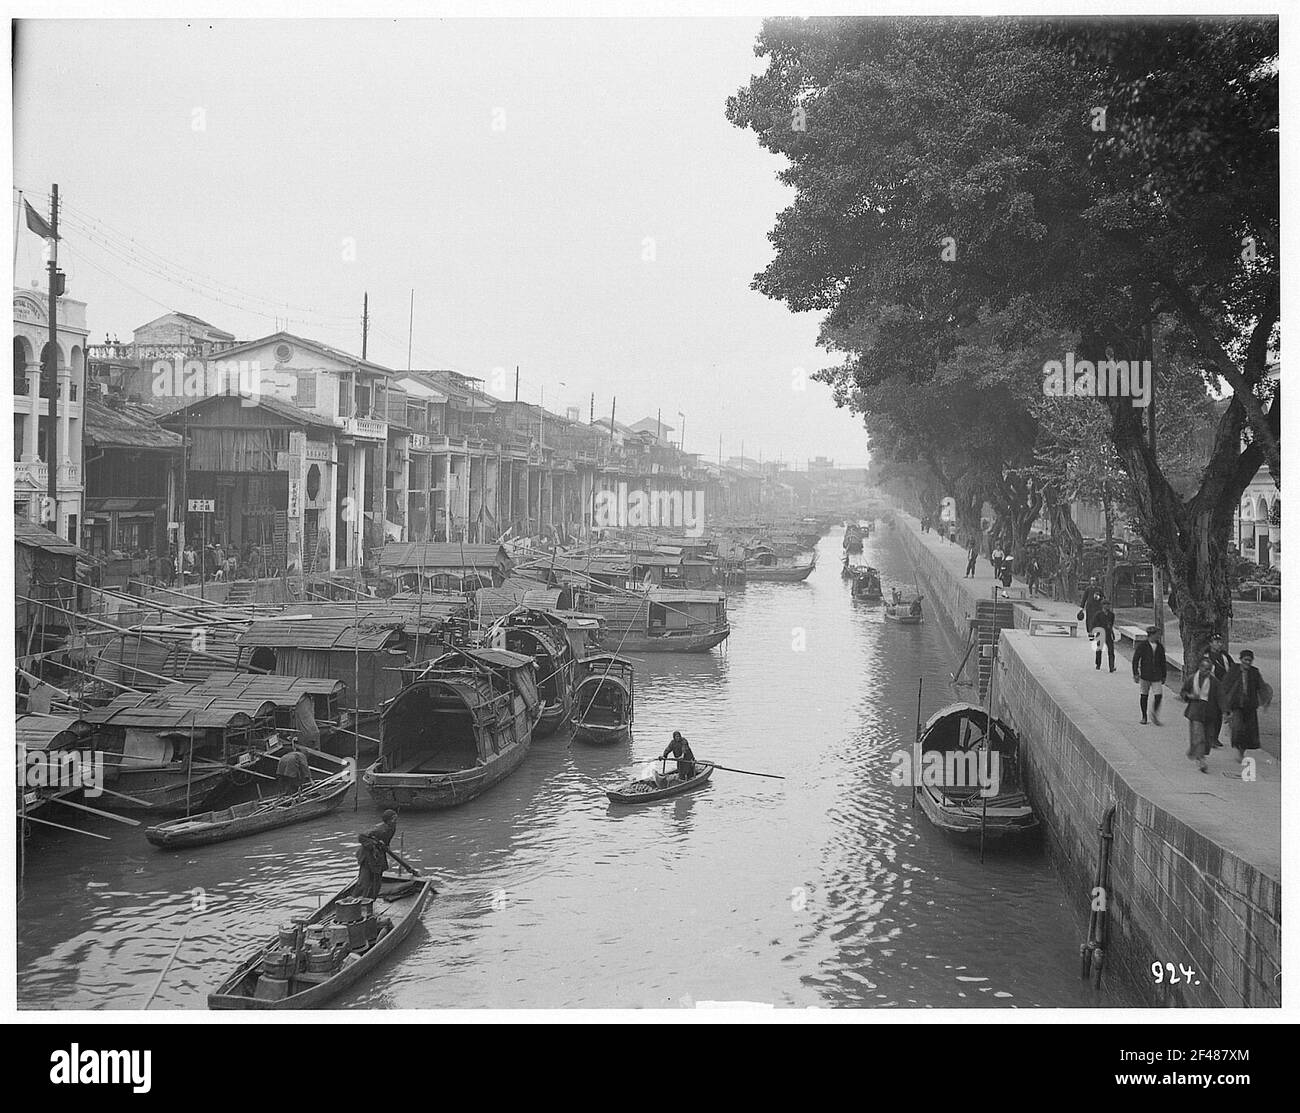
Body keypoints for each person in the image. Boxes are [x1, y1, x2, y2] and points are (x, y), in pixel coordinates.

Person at [1221, 649, 1268, 764]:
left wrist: (1265, 701)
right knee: (1238, 729)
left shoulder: (1255, 672)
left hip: (1250, 706)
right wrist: (1224, 704)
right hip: (1236, 705)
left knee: (1248, 731)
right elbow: (1225, 685)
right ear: (1241, 659)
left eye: (1250, 660)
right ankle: (1238, 749)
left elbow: (1262, 687)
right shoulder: (1234, 670)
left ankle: (1241, 752)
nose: (1247, 662)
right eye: (1245, 660)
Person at [1179, 655, 1221, 774]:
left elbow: (1220, 697)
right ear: (1200, 668)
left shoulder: (1215, 682)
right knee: (1198, 736)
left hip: (1209, 712)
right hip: (1195, 711)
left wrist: (1226, 711)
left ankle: (1198, 753)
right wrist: (1189, 696)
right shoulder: (1192, 679)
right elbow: (1183, 691)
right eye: (1204, 668)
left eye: (1209, 669)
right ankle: (1201, 760)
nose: (1206, 671)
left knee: (1208, 737)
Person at [354, 810, 398, 899]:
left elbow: (386, 841)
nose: (395, 821)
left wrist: (386, 846)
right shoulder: (379, 829)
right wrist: (374, 843)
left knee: (376, 880)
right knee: (364, 880)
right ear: (388, 820)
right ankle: (356, 899)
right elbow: (361, 837)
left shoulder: (392, 828)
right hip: (367, 855)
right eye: (393, 819)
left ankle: (371, 899)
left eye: (396, 819)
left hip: (378, 856)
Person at [1204, 633, 1235, 748]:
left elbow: (1232, 669)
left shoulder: (1225, 656)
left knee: (1218, 713)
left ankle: (1215, 737)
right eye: (1216, 642)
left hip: (1223, 688)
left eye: (1220, 642)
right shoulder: (1206, 656)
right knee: (1211, 713)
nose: (1219, 644)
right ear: (1210, 643)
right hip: (1210, 688)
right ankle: (1210, 737)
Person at [1132, 626, 1167, 725]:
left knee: (1158, 695)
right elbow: (1135, 660)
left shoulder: (1160, 647)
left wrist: (1164, 675)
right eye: (1157, 634)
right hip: (1145, 674)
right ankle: (1144, 716)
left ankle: (1154, 713)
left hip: (1157, 675)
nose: (1159, 636)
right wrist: (1135, 673)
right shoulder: (1143, 646)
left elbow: (1163, 662)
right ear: (1152, 635)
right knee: (1144, 695)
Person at [1092, 597, 1116, 672]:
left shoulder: (1111, 615)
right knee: (1099, 650)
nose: (1107, 606)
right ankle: (1098, 664)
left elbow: (1111, 624)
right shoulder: (1098, 614)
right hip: (1101, 633)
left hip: (1108, 634)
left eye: (1108, 605)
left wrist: (1112, 632)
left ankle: (1111, 666)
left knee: (1111, 650)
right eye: (1106, 605)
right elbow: (1094, 624)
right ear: (1102, 606)